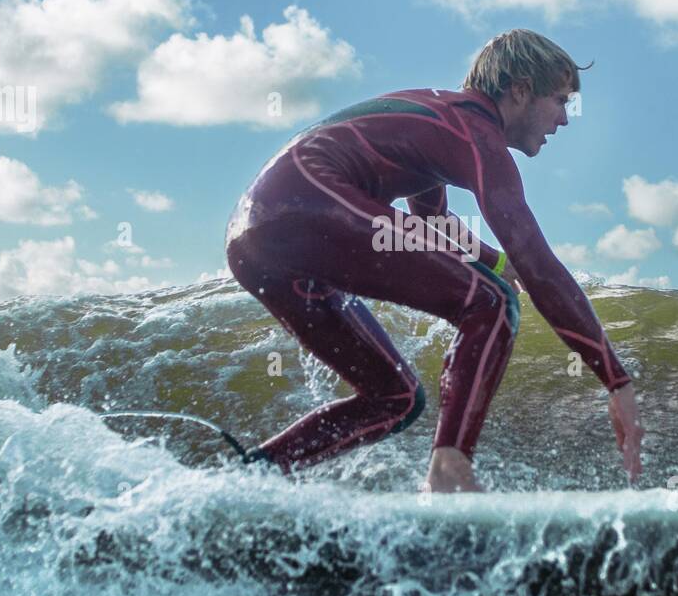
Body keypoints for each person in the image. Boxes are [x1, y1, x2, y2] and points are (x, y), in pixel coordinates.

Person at [224, 29, 645, 492]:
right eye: (560, 100)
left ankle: (246, 483)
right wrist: (616, 381)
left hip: (256, 239)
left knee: (396, 398)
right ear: (521, 90)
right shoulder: (474, 135)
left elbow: (434, 226)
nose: (565, 118)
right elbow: (538, 261)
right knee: (490, 304)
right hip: (297, 204)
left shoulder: (436, 123)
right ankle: (449, 474)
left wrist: (500, 264)